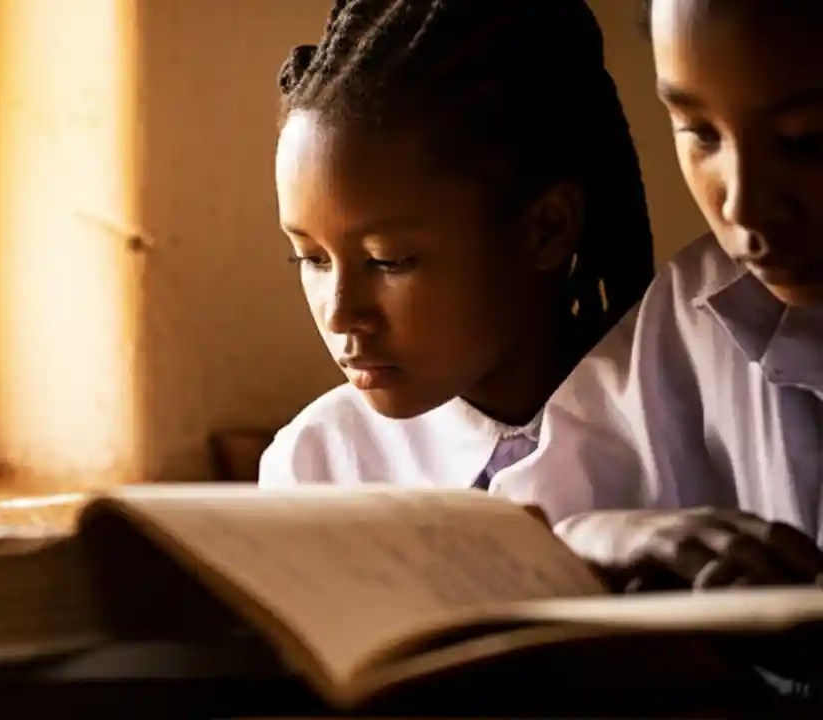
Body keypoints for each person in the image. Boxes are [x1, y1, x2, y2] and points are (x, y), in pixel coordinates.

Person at [257, 0, 654, 493]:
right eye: (311, 258)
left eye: (388, 260)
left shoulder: (674, 436)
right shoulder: (318, 466)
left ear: (546, 230)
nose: (340, 315)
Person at [504, 0, 823, 594]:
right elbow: (535, 526)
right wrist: (608, 536)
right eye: (700, 132)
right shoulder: (700, 306)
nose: (741, 207)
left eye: (806, 141)